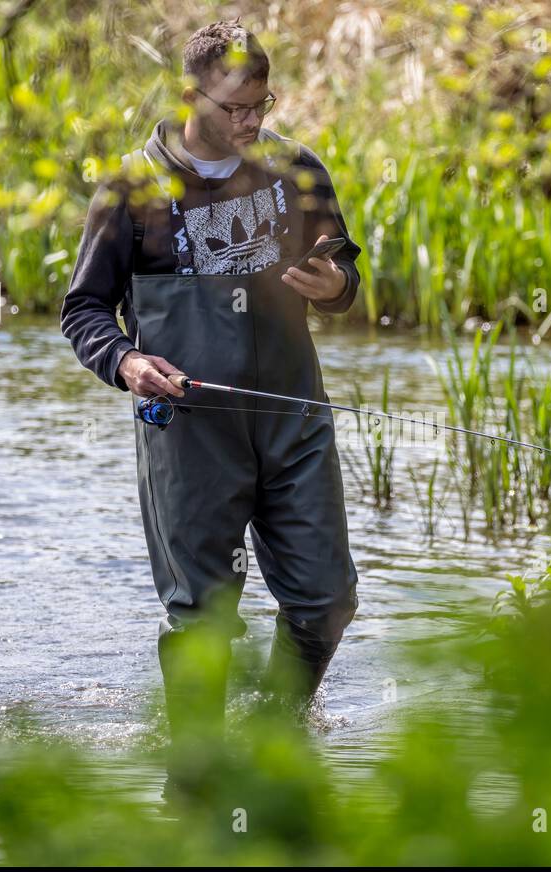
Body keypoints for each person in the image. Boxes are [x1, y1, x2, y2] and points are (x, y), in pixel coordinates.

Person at [59, 19, 361, 783]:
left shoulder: (296, 171)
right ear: (193, 95)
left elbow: (342, 282)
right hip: (188, 431)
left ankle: (274, 733)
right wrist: (124, 360)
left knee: (326, 599)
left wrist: (337, 289)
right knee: (203, 621)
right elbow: (84, 310)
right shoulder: (133, 190)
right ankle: (194, 782)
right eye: (236, 108)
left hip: (293, 419)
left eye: (262, 103)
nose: (252, 121)